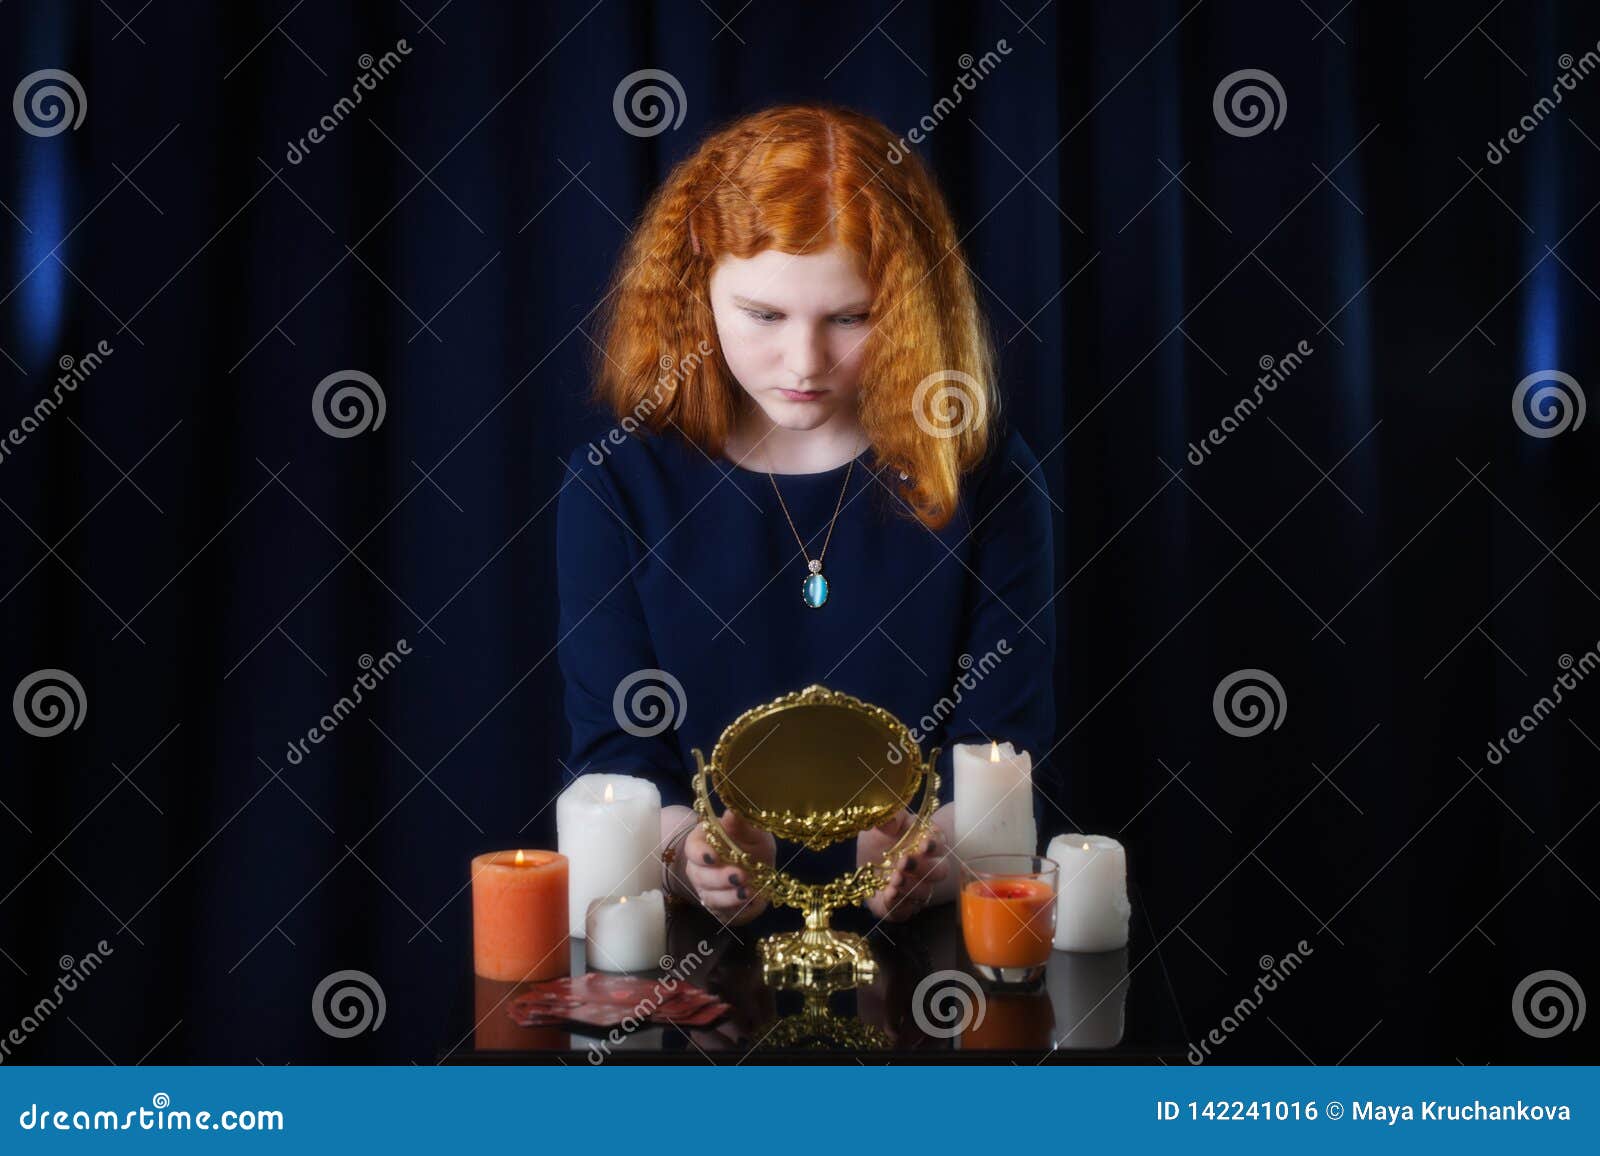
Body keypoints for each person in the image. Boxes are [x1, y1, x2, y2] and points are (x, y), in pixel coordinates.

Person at [556, 102, 1057, 928]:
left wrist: (935, 853)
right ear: (695, 283)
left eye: (850, 318)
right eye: (763, 315)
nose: (804, 363)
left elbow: (1000, 751)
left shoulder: (985, 478)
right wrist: (690, 854)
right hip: (689, 982)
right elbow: (613, 759)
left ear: (905, 307)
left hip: (931, 977)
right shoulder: (617, 484)